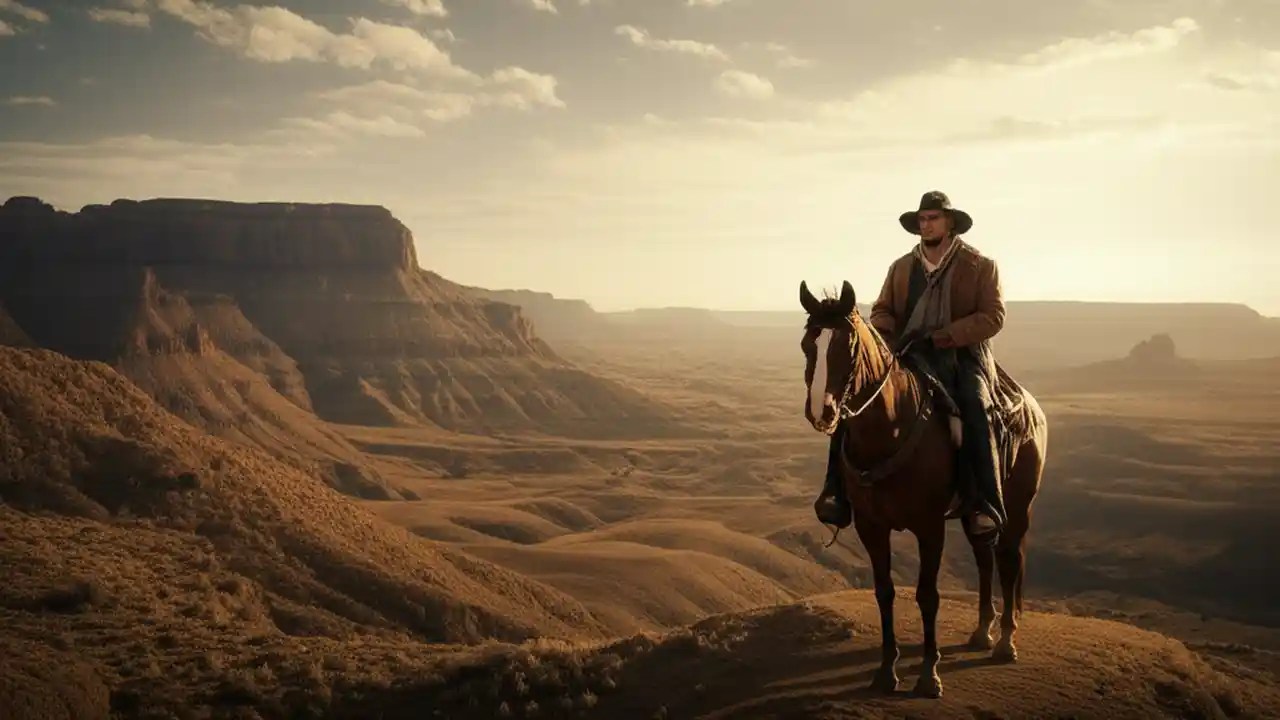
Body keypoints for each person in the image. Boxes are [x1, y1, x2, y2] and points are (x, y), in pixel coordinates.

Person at [813, 190, 1007, 537]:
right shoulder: (901, 267)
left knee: (976, 404)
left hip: (962, 356)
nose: (926, 225)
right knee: (854, 398)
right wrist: (885, 336)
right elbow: (883, 309)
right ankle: (835, 490)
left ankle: (985, 502)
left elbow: (993, 317)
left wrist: (944, 336)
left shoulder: (980, 266)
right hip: (907, 352)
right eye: (922, 219)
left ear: (950, 223)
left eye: (933, 218)